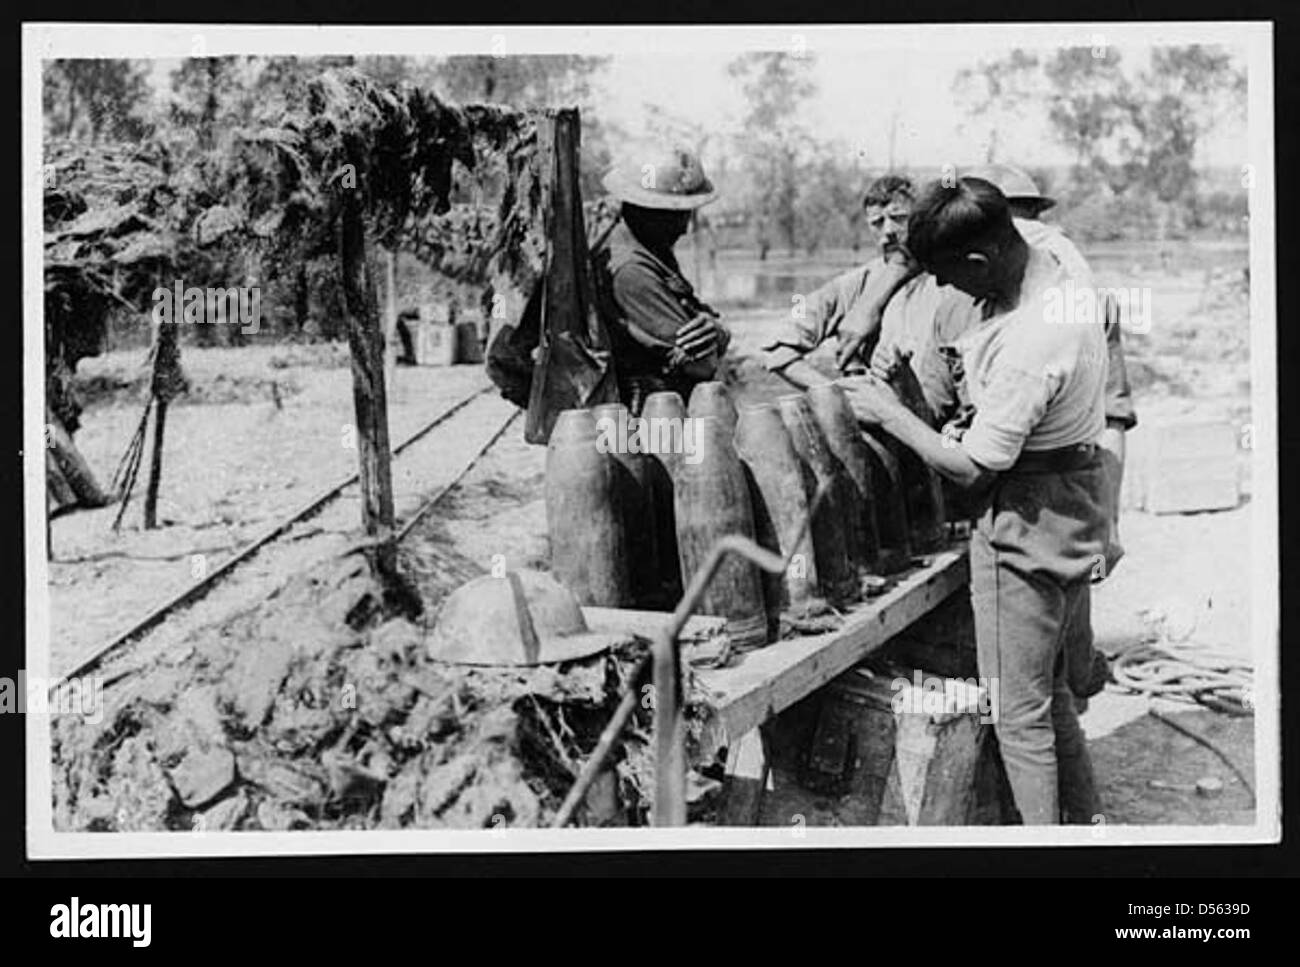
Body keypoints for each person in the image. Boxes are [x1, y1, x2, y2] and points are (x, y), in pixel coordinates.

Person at [840, 177, 1109, 825]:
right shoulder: (1053, 258)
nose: (952, 294)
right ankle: (1091, 825)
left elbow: (972, 467)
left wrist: (893, 414)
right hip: (1073, 498)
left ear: (981, 262)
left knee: (1016, 714)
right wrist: (874, 303)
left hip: (1024, 519)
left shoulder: (1030, 342)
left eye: (954, 279)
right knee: (1051, 692)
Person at [963, 164, 1136, 574]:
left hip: (1014, 492)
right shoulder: (1075, 272)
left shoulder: (995, 275)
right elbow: (1111, 420)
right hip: (1079, 489)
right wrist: (1110, 523)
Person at [761, 175, 936, 406]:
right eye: (877, 222)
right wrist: (836, 394)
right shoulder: (854, 283)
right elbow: (779, 342)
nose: (889, 230)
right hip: (884, 422)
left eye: (899, 218)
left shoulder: (949, 279)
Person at [596, 145, 732, 414]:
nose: (683, 227)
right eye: (673, 214)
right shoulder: (632, 269)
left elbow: (699, 324)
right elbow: (702, 364)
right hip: (649, 416)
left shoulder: (649, 247)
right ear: (642, 209)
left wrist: (714, 328)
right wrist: (720, 334)